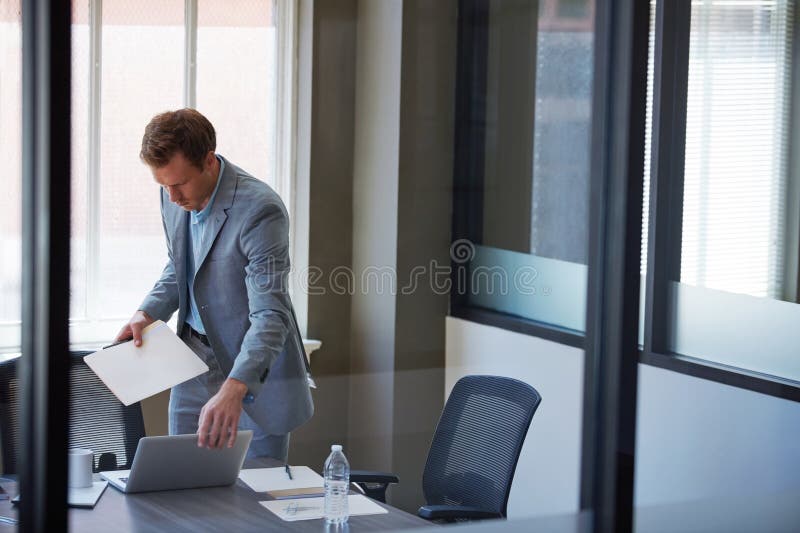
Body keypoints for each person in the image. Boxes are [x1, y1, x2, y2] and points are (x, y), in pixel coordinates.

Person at [115, 108, 313, 461]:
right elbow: (180, 267)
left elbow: (271, 315)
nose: (172, 197)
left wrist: (236, 386)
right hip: (192, 359)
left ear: (208, 161)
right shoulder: (172, 196)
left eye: (179, 184)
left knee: (256, 490)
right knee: (182, 479)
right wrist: (147, 312)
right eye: (163, 185)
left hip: (251, 367)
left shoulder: (260, 210)